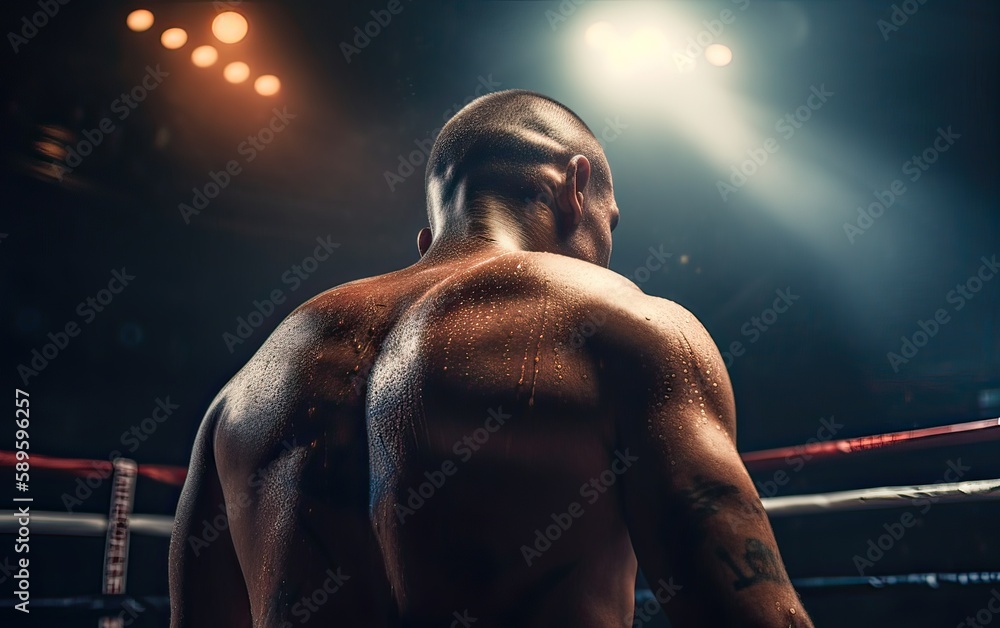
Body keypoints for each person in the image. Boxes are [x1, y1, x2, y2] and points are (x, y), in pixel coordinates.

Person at [169, 89, 813, 627]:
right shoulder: (627, 326)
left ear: (429, 239)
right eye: (610, 225)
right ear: (575, 188)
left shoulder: (244, 391)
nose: (609, 253)